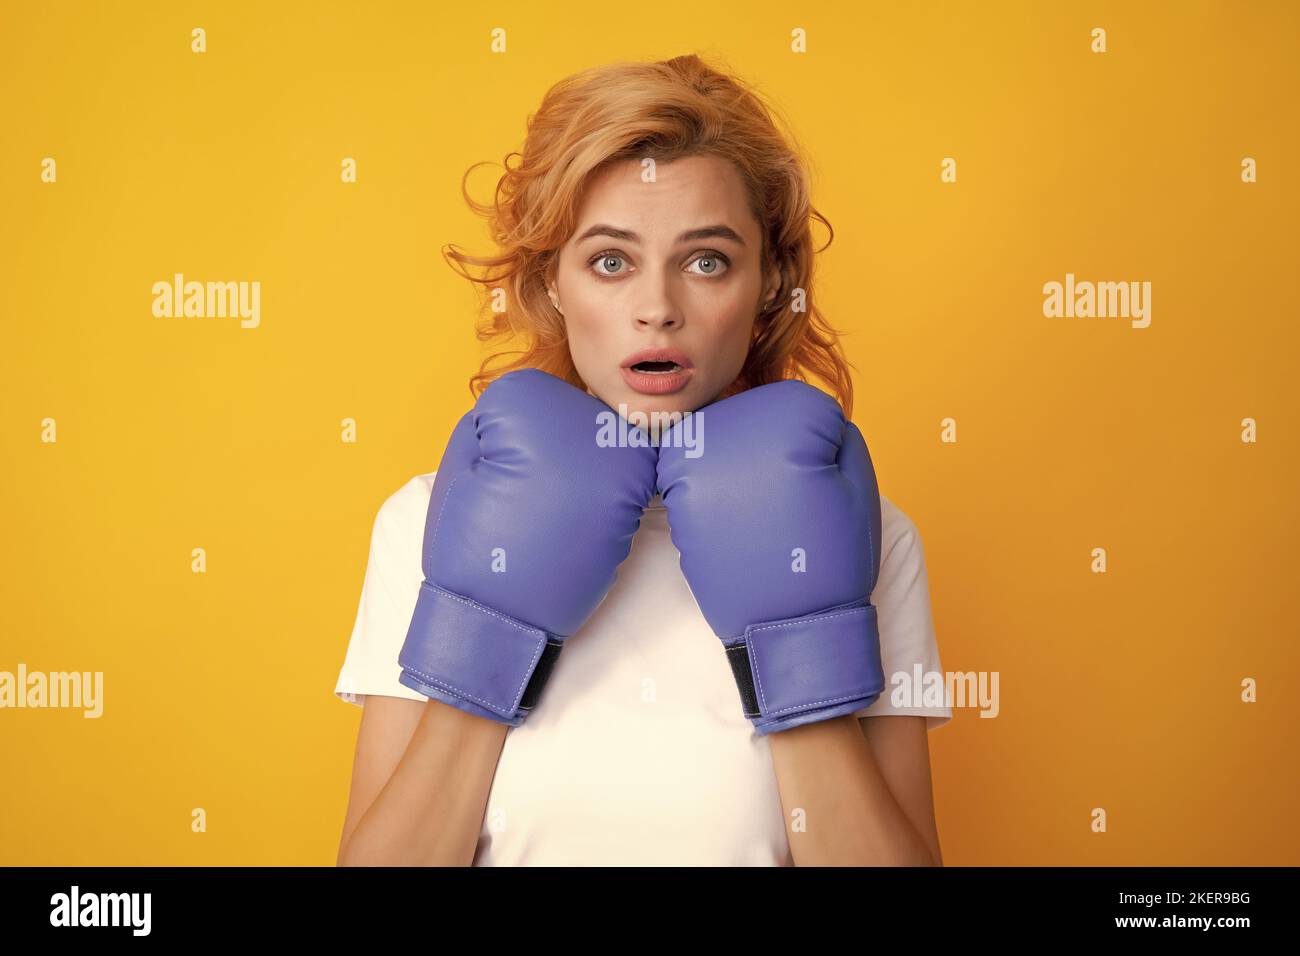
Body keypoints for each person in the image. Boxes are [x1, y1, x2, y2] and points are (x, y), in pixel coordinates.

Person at [333, 53, 951, 866]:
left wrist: (796, 650)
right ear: (550, 281)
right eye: (611, 261)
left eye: (707, 261)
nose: (657, 309)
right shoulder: (427, 520)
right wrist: (488, 636)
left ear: (771, 282)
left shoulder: (866, 534)